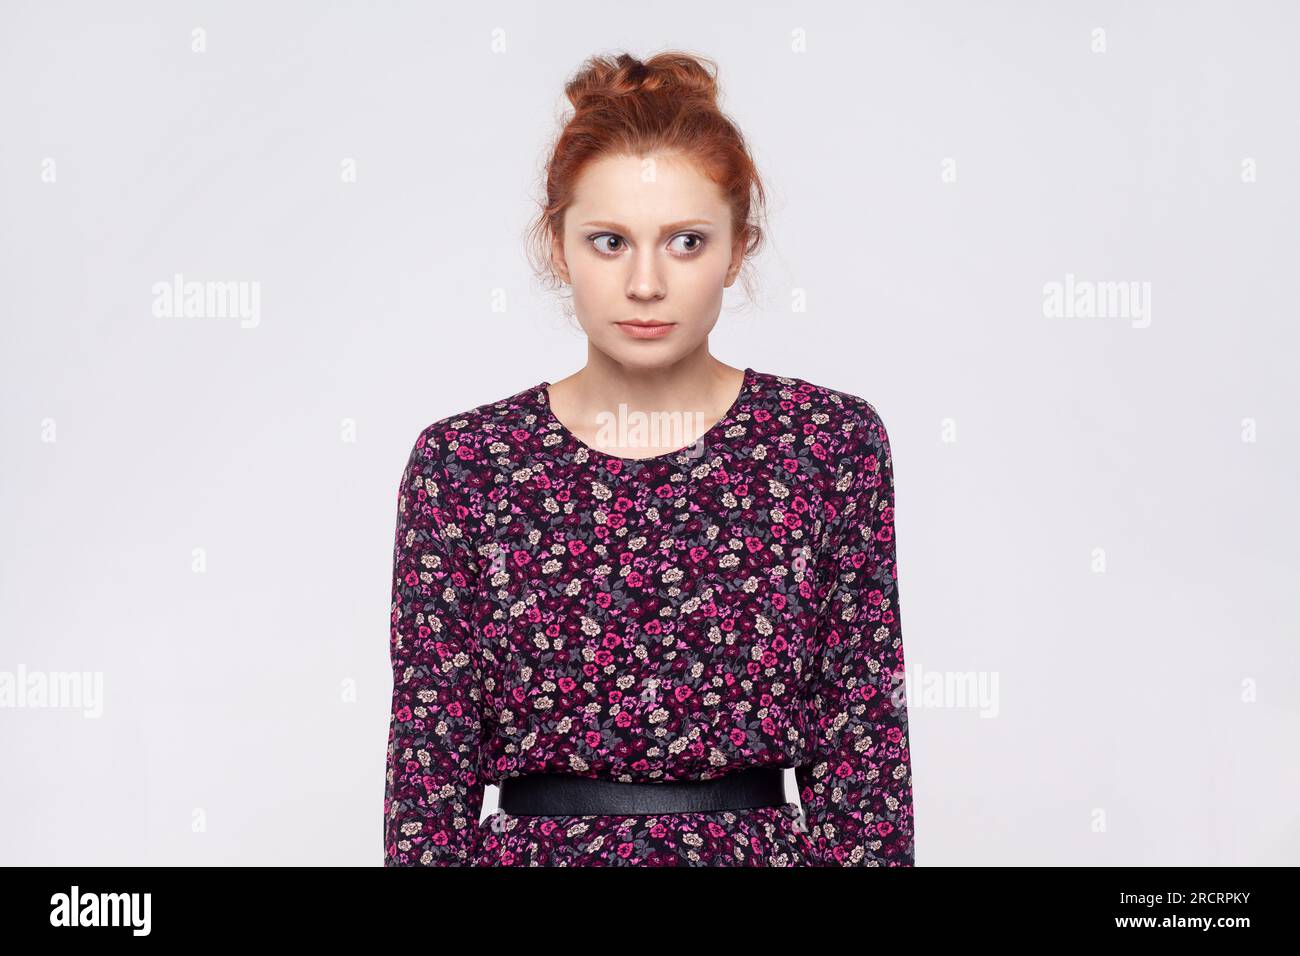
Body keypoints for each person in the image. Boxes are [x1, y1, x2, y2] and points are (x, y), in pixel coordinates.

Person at [383, 50, 914, 866]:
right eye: (608, 242)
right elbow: (429, 781)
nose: (644, 283)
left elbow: (865, 766)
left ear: (739, 251)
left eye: (686, 242)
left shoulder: (824, 446)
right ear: (557, 248)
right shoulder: (466, 465)